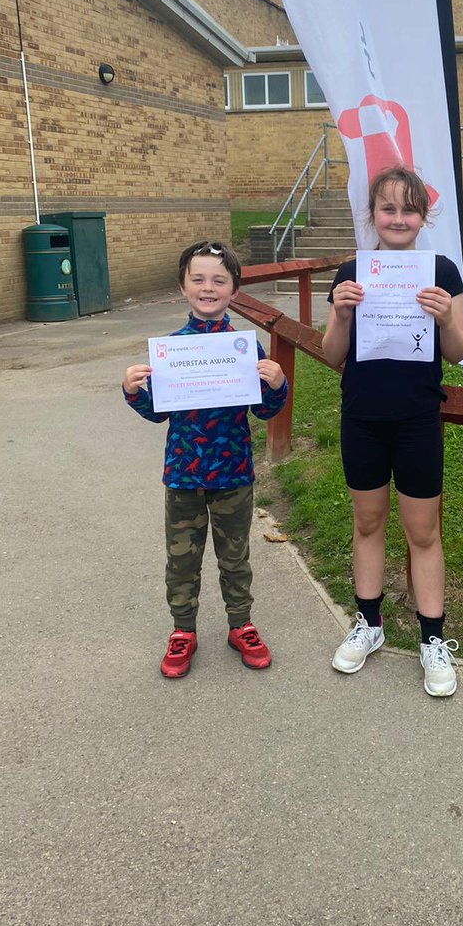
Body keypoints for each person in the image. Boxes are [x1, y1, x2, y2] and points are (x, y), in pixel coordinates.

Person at [322, 165, 463, 697]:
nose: (399, 218)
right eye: (388, 208)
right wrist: (339, 316)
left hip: (416, 419)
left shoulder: (441, 271)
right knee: (367, 523)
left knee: (423, 531)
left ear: (423, 216)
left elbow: (456, 353)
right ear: (372, 215)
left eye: (409, 209)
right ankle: (370, 624)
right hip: (361, 416)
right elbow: (332, 355)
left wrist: (447, 319)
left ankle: (433, 639)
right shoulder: (351, 273)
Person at [122, 240, 288, 679]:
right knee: (182, 560)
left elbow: (265, 412)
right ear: (183, 286)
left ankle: (241, 625)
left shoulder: (245, 350)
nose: (208, 287)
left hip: (233, 474)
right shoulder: (171, 351)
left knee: (235, 557)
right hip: (183, 475)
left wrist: (276, 384)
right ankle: (182, 631)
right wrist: (134, 391)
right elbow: (158, 412)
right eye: (198, 279)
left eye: (219, 280)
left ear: (234, 290)